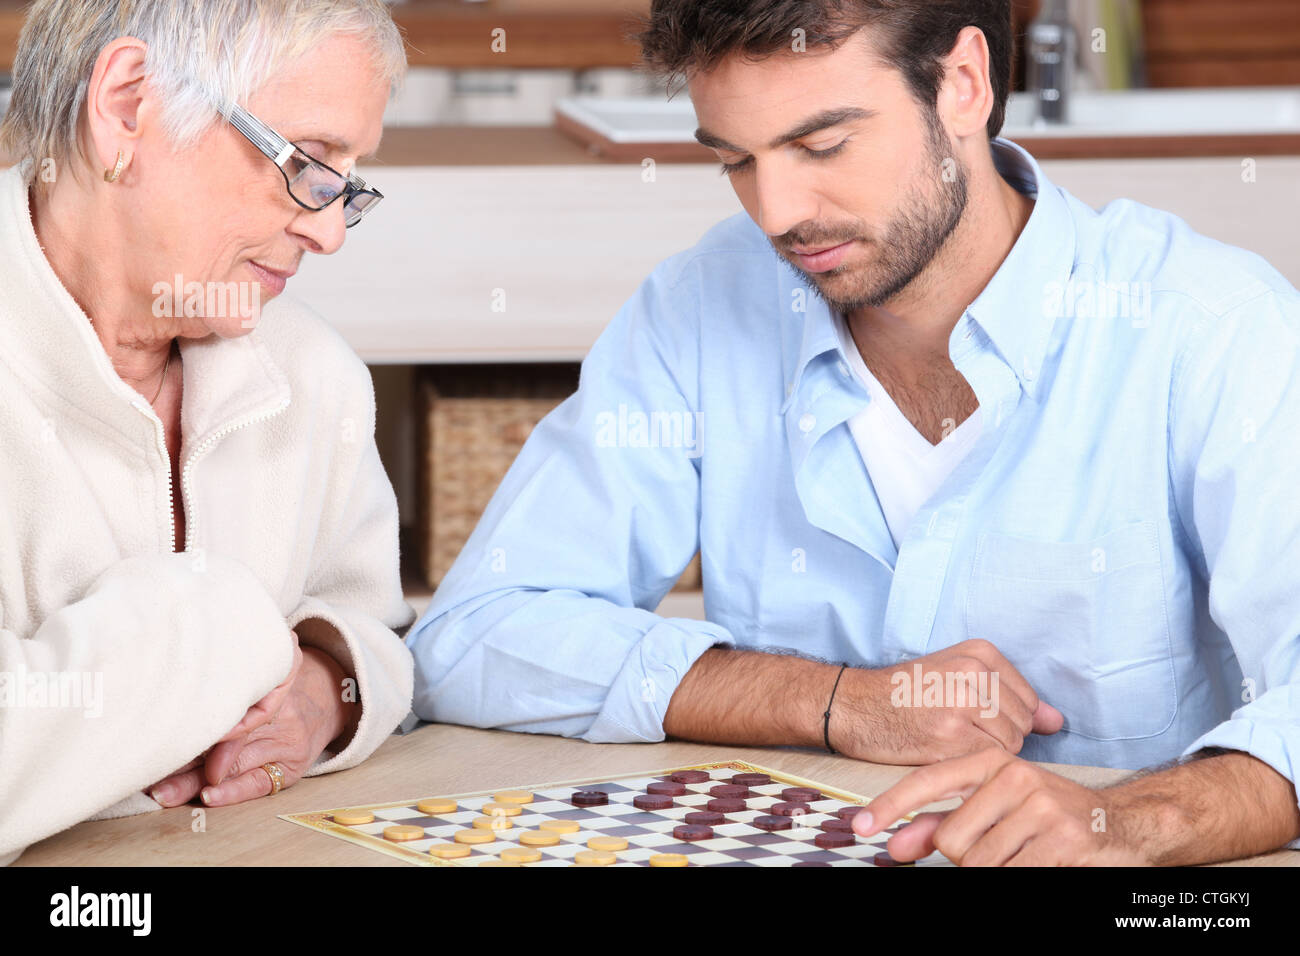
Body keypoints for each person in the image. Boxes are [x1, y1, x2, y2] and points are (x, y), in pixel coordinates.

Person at [408, 0, 1300, 865]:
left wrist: (1131, 820)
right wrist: (835, 702)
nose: (777, 213)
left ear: (963, 84)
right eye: (735, 161)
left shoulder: (1213, 330)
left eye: (821, 144)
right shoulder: (699, 308)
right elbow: (476, 634)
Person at [0, 0, 414, 864]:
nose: (330, 231)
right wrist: (234, 633)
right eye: (306, 161)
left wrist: (320, 692)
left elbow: (372, 629)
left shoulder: (315, 375)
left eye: (349, 182)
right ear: (126, 107)